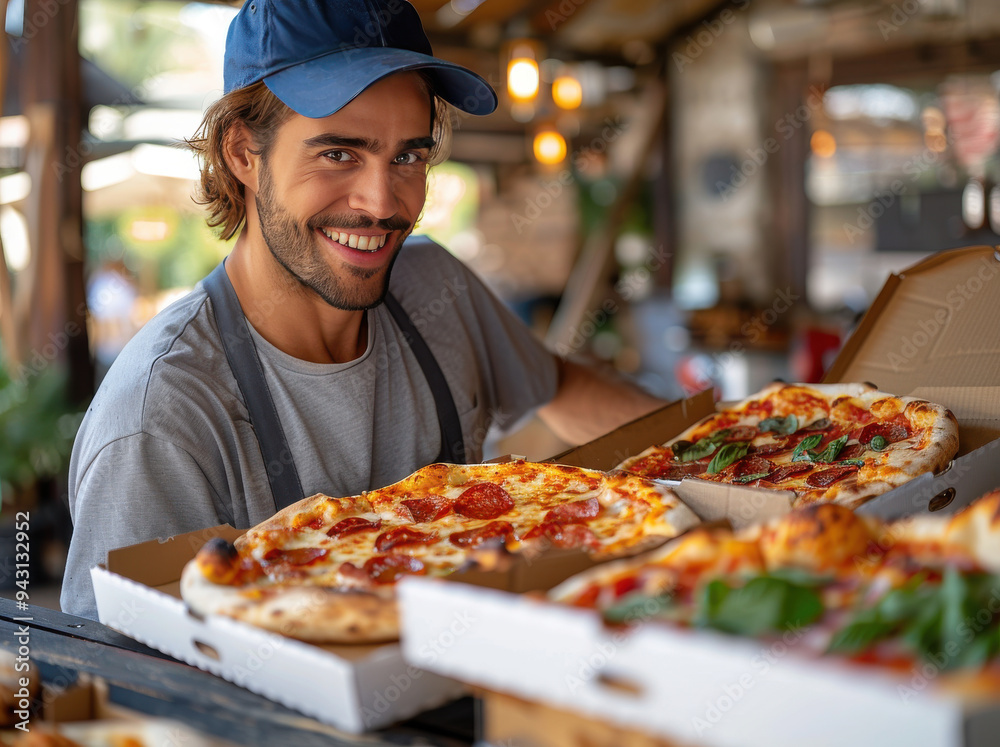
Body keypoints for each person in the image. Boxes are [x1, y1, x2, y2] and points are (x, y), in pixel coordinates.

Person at [61, 0, 665, 619]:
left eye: (407, 156)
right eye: (339, 153)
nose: (382, 204)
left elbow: (558, 386)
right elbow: (117, 681)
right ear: (243, 154)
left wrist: (721, 461)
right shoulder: (161, 418)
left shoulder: (433, 286)